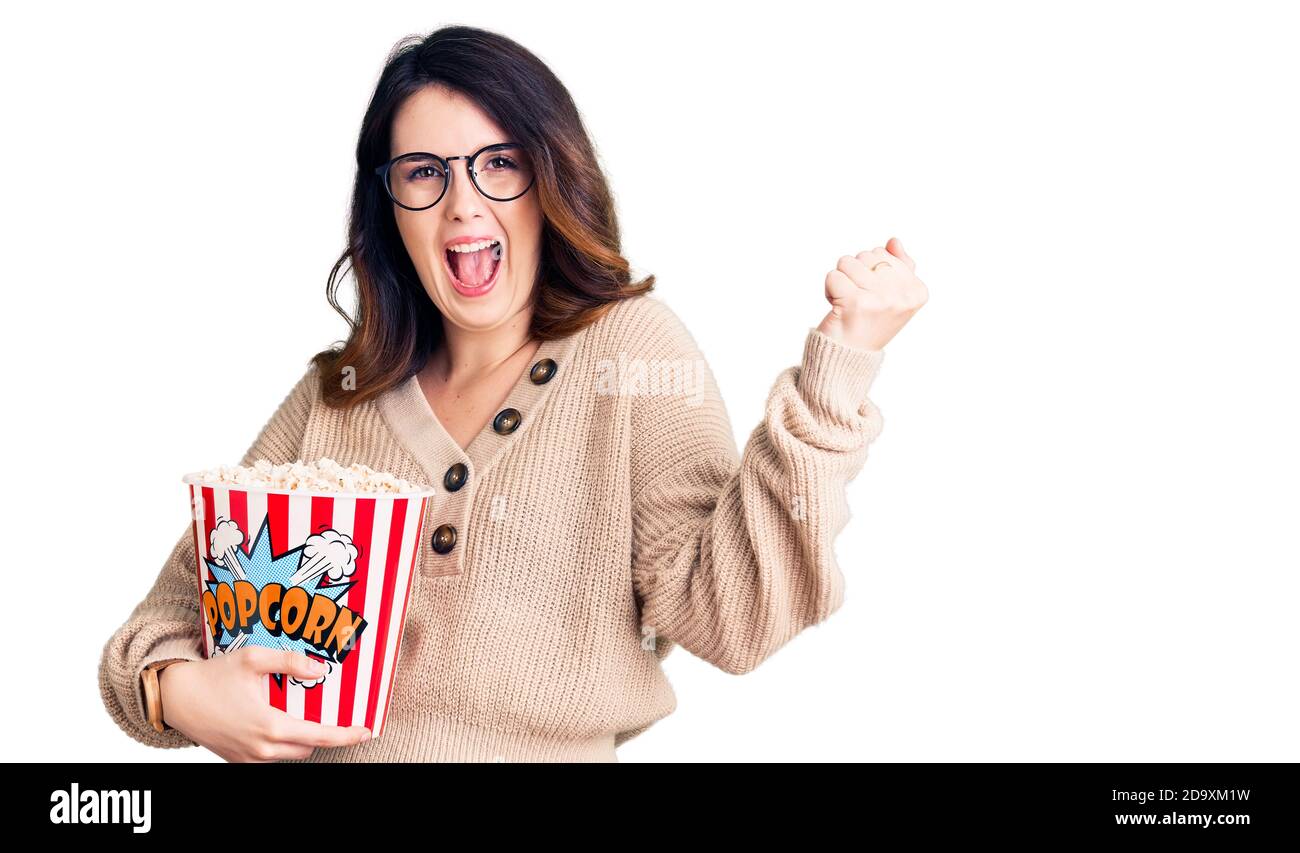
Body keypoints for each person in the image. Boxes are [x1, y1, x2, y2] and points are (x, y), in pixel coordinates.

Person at [98, 24, 927, 763]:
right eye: (424, 172)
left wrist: (839, 369)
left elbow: (733, 617)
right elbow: (162, 622)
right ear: (389, 207)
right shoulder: (339, 392)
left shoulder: (629, 354)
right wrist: (182, 695)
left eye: (499, 164)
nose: (464, 203)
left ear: (552, 178)